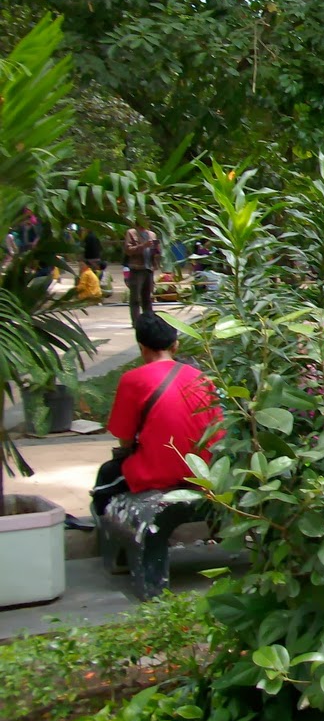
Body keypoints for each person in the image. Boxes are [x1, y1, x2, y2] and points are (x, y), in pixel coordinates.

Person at [87, 314, 224, 518]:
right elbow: (218, 432)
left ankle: (103, 533)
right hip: (203, 470)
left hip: (156, 472)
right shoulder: (202, 378)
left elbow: (124, 439)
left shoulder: (132, 380)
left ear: (141, 347)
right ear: (175, 345)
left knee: (106, 478)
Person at [124, 217, 160, 327]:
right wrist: (143, 246)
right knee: (135, 297)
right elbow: (128, 250)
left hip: (149, 268)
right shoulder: (131, 233)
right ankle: (136, 322)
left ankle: (148, 320)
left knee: (147, 297)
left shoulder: (152, 234)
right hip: (137, 268)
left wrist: (157, 250)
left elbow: (157, 252)